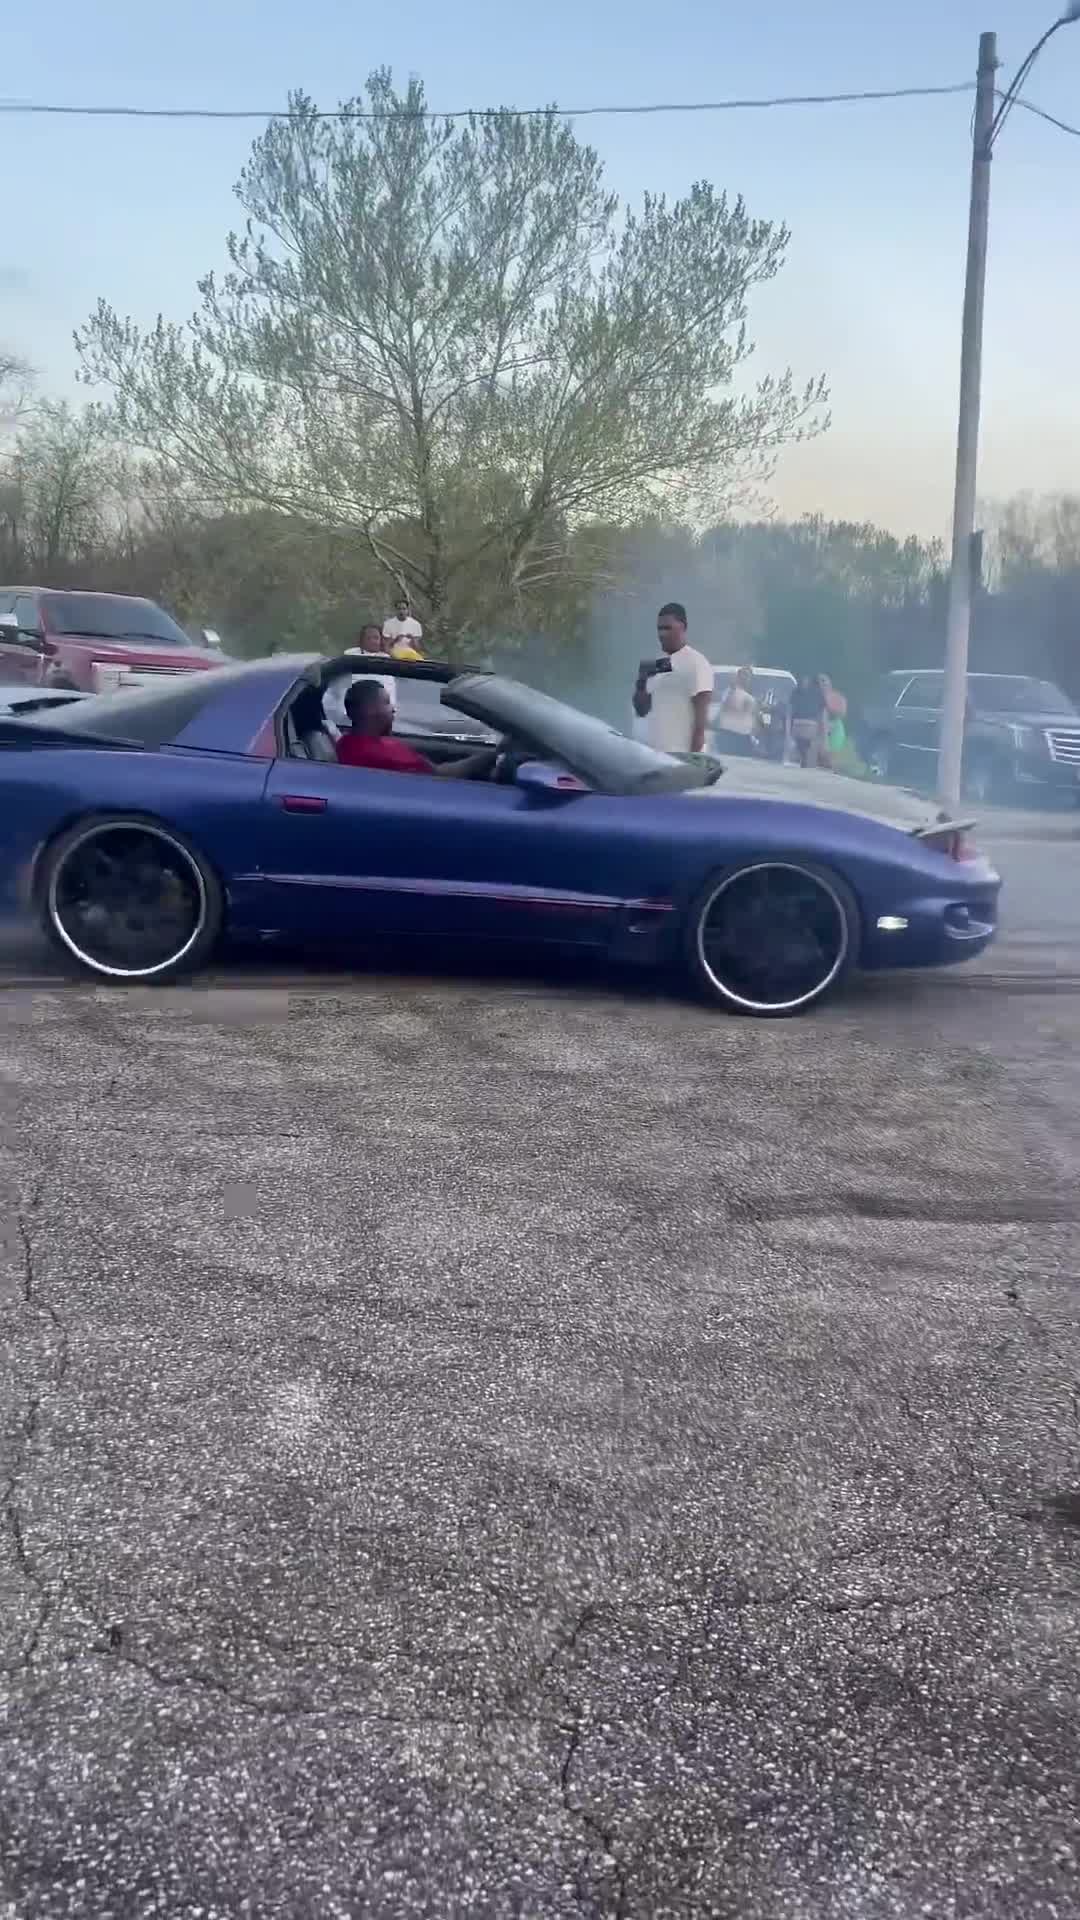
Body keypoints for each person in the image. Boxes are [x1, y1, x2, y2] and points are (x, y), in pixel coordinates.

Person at [336, 679, 496, 779]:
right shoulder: (373, 755)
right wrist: (495, 754)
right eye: (386, 702)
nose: (393, 709)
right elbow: (440, 776)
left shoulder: (348, 743)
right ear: (369, 710)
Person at [632, 603, 713, 756]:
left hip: (681, 757)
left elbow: (700, 726)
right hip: (656, 756)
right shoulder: (660, 663)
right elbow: (641, 710)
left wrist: (691, 762)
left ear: (683, 627)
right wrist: (641, 682)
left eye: (668, 628)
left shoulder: (696, 663)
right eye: (659, 629)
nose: (662, 634)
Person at [713, 664, 759, 757]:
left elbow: (751, 719)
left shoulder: (749, 697)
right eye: (744, 675)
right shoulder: (728, 693)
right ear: (738, 677)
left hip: (739, 735)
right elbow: (722, 712)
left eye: (748, 676)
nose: (746, 679)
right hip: (728, 734)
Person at [790, 673, 827, 768]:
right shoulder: (819, 695)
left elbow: (790, 714)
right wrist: (823, 737)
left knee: (803, 751)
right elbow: (822, 718)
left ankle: (803, 760)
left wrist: (788, 733)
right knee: (808, 753)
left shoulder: (795, 693)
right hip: (810, 728)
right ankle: (806, 762)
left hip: (798, 727)